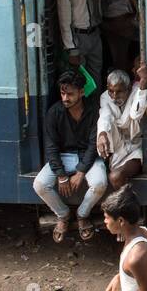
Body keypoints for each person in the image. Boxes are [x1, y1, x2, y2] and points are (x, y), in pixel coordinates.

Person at [35, 70, 107, 243]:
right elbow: (51, 147)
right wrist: (61, 175)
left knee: (99, 183)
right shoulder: (54, 113)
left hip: (88, 157)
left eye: (70, 94)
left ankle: (82, 215)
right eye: (62, 93)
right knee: (39, 184)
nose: (65, 98)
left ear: (81, 92)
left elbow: (93, 145)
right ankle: (63, 215)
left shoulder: (93, 111)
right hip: (64, 156)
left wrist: (81, 172)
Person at [98, 65, 147, 192]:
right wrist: (102, 134)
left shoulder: (137, 91)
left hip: (136, 146)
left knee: (116, 177)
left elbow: (136, 114)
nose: (114, 96)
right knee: (104, 123)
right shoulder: (105, 97)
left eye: (119, 91)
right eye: (111, 91)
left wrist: (143, 83)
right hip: (117, 147)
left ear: (129, 87)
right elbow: (105, 115)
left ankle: (123, 207)